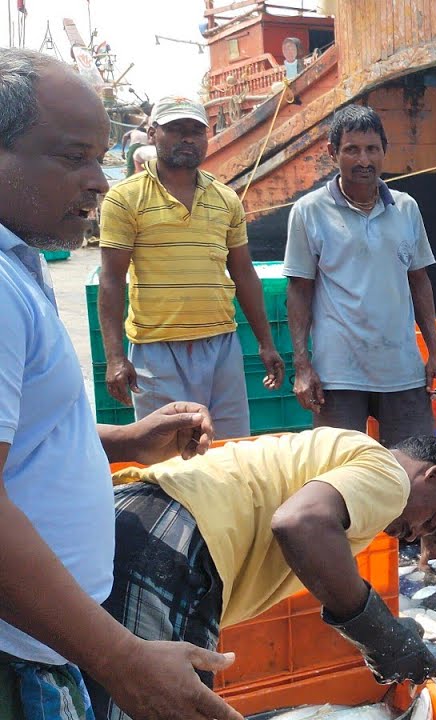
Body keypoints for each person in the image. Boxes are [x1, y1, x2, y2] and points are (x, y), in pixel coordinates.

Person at [0, 47, 246, 720]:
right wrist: (119, 658)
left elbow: (27, 441)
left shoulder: (21, 262)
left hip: (47, 646)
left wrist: (127, 441)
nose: (97, 182)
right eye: (72, 157)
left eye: (100, 158)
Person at [86, 429, 436, 720]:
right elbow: (301, 522)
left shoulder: (343, 453)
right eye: (429, 520)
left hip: (131, 517)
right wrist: (381, 636)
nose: (411, 536)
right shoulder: (390, 476)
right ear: (434, 474)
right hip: (174, 538)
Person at [99, 96, 285, 438]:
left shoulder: (225, 198)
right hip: (157, 349)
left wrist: (266, 342)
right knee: (168, 454)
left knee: (230, 449)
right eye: (175, 129)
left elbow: (244, 273)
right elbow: (111, 280)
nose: (187, 138)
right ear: (153, 133)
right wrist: (115, 357)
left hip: (221, 346)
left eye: (196, 131)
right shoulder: (125, 198)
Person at [284, 105, 436, 446]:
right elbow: (299, 290)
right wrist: (302, 365)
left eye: (372, 149)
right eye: (352, 150)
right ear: (332, 152)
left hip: (402, 369)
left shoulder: (406, 208)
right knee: (340, 467)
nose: (364, 160)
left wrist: (435, 352)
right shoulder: (309, 211)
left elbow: (419, 282)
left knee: (416, 465)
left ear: (384, 151)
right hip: (338, 374)